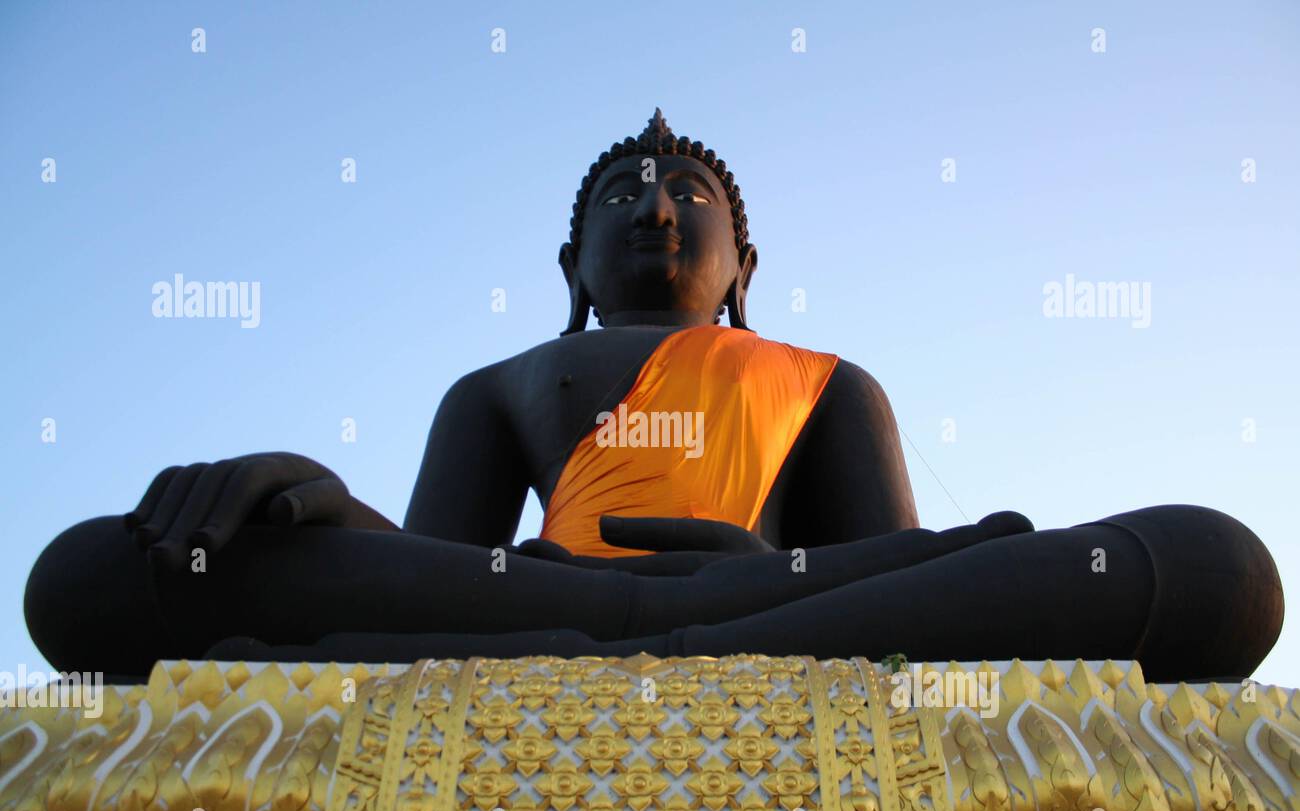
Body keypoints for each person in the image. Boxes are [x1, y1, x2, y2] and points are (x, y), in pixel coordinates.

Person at [24, 111, 1284, 682]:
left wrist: (757, 569)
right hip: (532, 600)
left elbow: (890, 565)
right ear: (570, 265)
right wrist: (312, 497)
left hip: (783, 596)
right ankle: (696, 634)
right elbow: (424, 569)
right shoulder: (501, 385)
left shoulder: (829, 383)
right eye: (623, 194)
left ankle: (703, 624)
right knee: (91, 576)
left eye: (688, 192)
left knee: (1214, 568)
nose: (657, 205)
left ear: (743, 266)